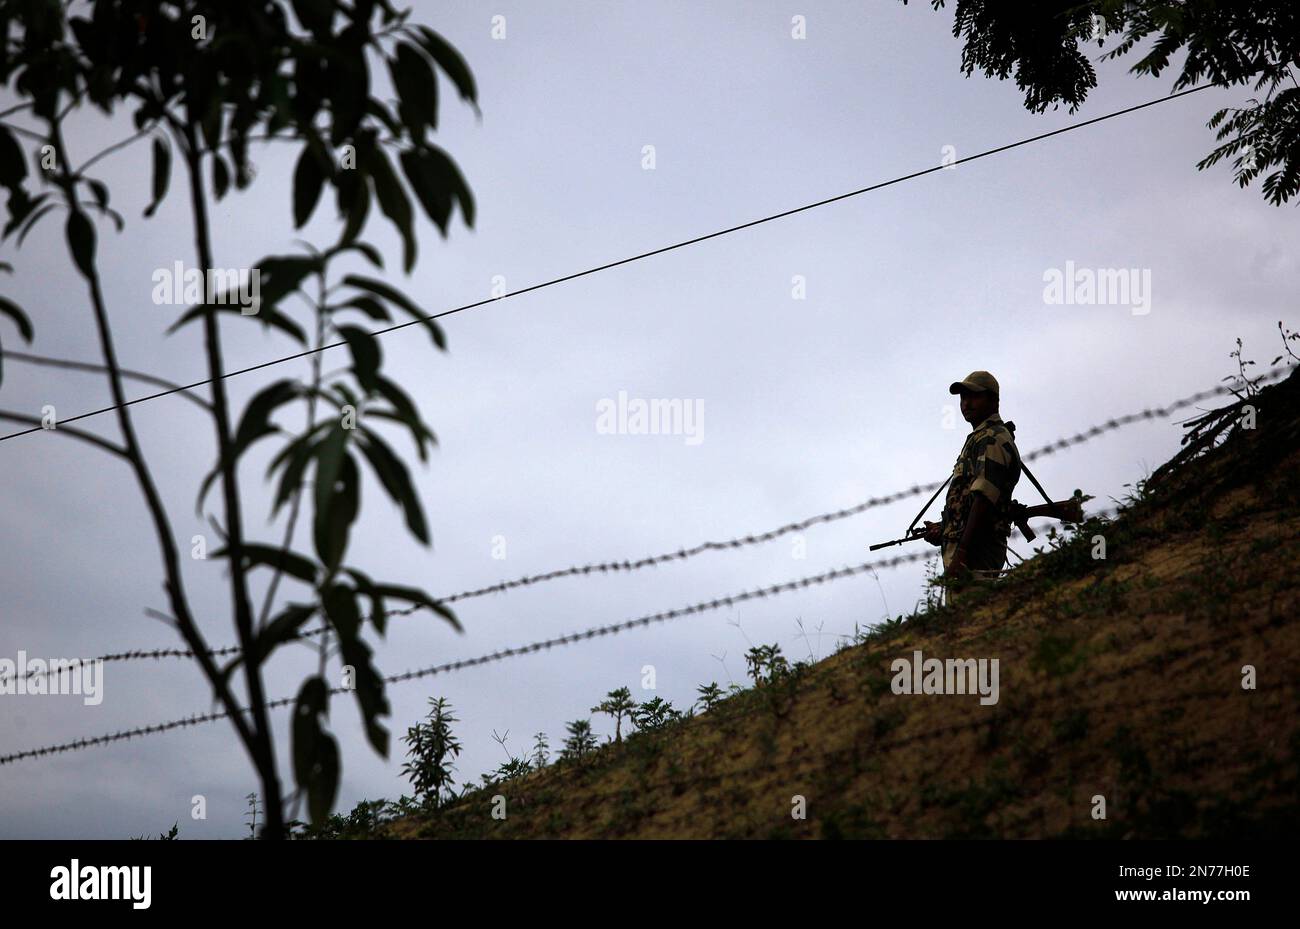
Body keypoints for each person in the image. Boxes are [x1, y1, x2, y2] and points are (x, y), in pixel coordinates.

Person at [922, 371, 1022, 588]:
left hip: (977, 550)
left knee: (973, 614)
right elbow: (969, 501)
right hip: (968, 547)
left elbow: (984, 498)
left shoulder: (993, 438)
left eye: (974, 396)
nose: (966, 403)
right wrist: (945, 528)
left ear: (993, 400)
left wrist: (963, 552)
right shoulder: (980, 438)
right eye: (963, 398)